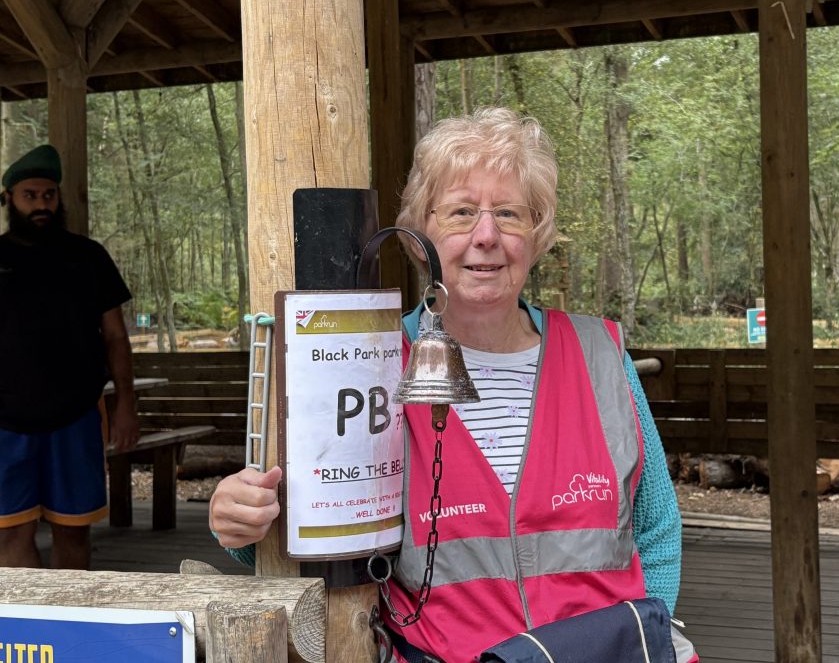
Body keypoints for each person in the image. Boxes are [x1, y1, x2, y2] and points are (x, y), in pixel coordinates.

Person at [210, 109, 689, 662]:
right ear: (420, 238)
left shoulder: (600, 355)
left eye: (509, 214)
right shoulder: (369, 361)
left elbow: (656, 530)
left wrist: (644, 641)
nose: (486, 236)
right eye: (462, 213)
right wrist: (242, 522)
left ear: (538, 234)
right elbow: (322, 521)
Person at [0, 143, 139, 569]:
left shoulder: (88, 256)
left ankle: (67, 630)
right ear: (9, 199)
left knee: (74, 533)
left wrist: (126, 406)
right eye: (30, 195)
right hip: (5, 423)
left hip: (76, 418)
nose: (41, 204)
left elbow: (116, 337)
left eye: (48, 195)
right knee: (10, 535)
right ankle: (23, 629)